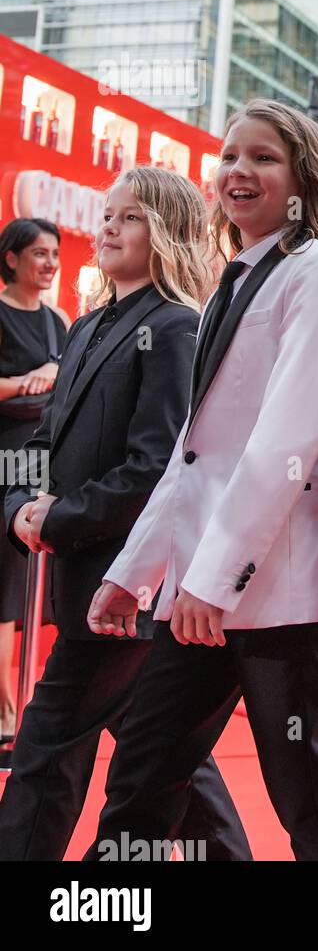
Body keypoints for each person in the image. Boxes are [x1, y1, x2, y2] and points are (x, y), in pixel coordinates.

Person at [84, 100, 318, 862]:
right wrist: (132, 573)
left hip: (270, 591)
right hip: (198, 594)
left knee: (306, 788)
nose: (239, 171)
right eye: (230, 157)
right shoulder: (231, 283)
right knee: (143, 776)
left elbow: (286, 443)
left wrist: (211, 582)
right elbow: (194, 454)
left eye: (264, 158)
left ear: (302, 180)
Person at [0, 168, 249, 860]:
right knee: (166, 754)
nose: (108, 226)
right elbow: (44, 442)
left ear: (165, 231)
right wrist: (20, 505)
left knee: (47, 745)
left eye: (130, 217)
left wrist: (61, 518)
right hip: (87, 577)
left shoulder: (175, 328)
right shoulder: (83, 328)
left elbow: (159, 467)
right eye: (106, 215)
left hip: (130, 585)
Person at [0, 217, 68, 756]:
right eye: (38, 253)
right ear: (11, 258)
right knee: (4, 588)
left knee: (26, 582)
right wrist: (26, 382)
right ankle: (6, 712)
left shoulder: (57, 320)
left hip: (35, 460)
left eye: (54, 254)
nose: (48, 263)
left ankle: (18, 706)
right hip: (1, 450)